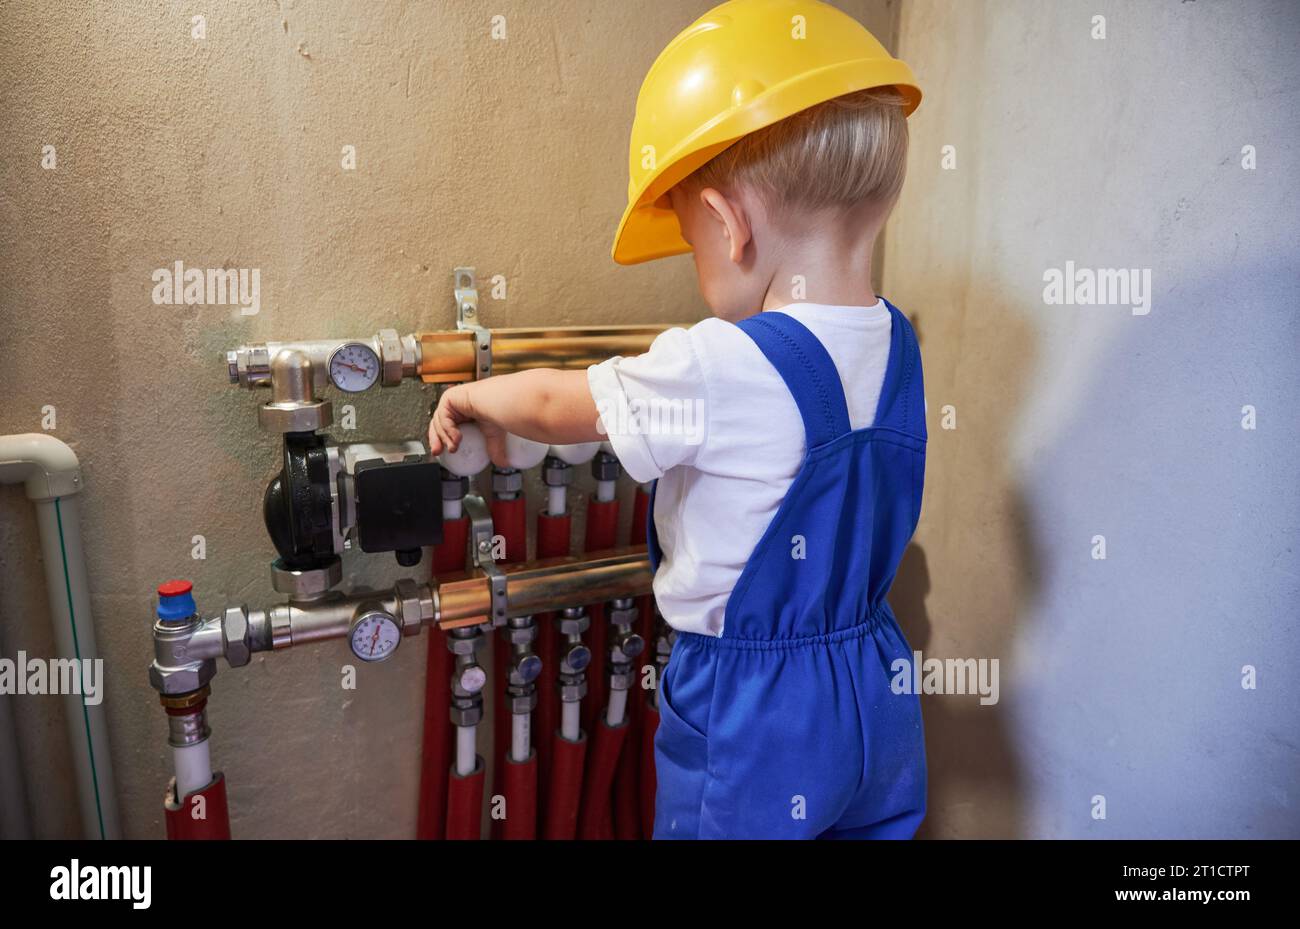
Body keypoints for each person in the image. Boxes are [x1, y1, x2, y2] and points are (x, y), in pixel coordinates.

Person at [428, 0, 928, 839]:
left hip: (754, 708)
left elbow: (559, 403)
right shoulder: (897, 341)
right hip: (876, 681)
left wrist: (472, 396)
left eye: (691, 239)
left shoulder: (722, 360)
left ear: (730, 226)